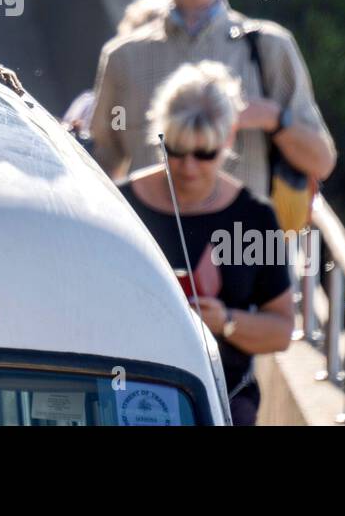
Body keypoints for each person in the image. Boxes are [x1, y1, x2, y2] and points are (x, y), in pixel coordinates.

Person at [89, 0, 336, 199]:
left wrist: (271, 117)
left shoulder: (269, 47)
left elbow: (321, 163)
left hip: (241, 241)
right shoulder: (123, 58)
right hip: (157, 241)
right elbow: (102, 168)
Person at [120, 60, 293, 425]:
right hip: (128, 393)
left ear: (229, 139)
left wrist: (226, 321)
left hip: (221, 400)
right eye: (177, 151)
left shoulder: (255, 218)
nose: (189, 167)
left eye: (204, 153)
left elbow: (280, 330)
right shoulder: (119, 204)